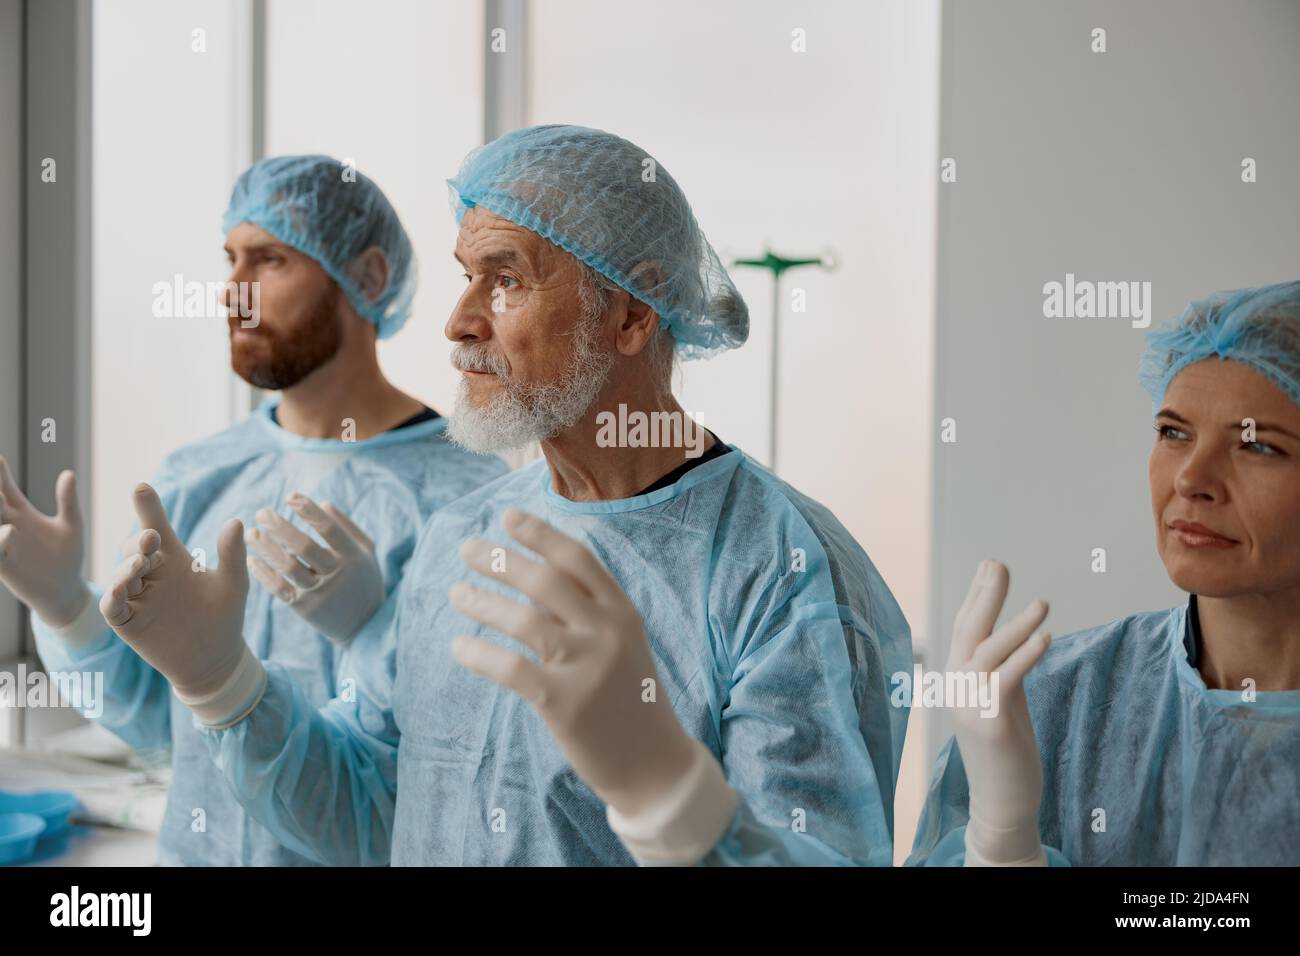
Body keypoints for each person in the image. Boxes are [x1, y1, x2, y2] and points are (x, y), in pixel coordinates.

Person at [99, 125, 914, 866]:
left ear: (631, 312)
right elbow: (374, 818)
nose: (456, 322)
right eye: (464, 278)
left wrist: (665, 798)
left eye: (506, 280)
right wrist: (220, 681)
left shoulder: (784, 571)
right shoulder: (465, 537)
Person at [0, 155, 507, 866]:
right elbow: (153, 720)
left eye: (268, 261)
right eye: (229, 260)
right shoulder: (198, 475)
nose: (232, 294)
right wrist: (64, 609)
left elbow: (424, 796)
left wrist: (374, 629)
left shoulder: (466, 501)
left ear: (366, 279)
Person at [909, 279, 1300, 866]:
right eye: (1173, 432)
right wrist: (1002, 843)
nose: (1192, 478)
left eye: (1256, 446)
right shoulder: (1053, 701)